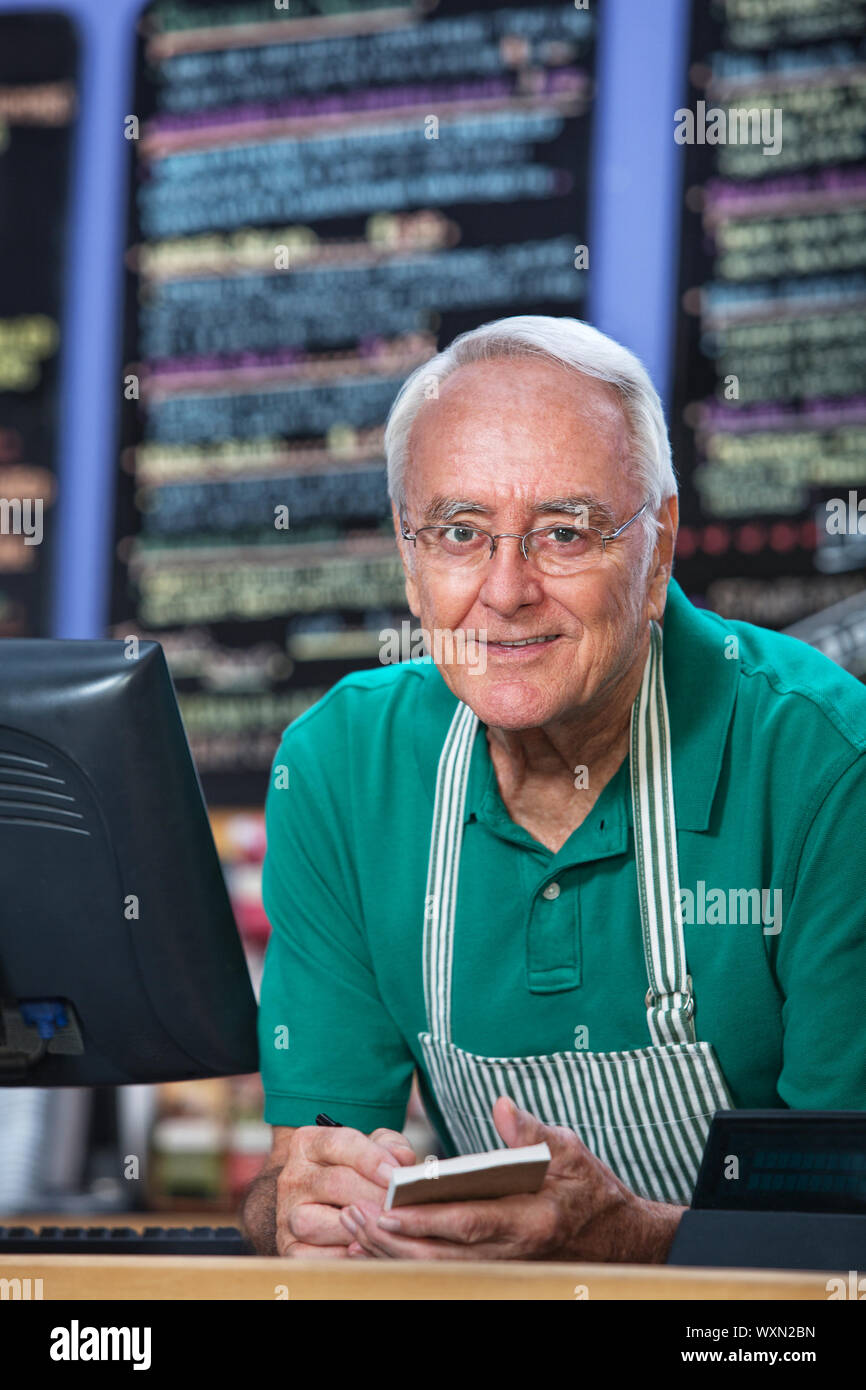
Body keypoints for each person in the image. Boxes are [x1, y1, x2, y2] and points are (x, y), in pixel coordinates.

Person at [241, 315, 866, 1261]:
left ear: (656, 555)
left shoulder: (823, 764)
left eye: (563, 534)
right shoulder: (338, 769)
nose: (505, 590)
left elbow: (848, 1242)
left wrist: (628, 1238)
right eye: (460, 532)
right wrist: (302, 1208)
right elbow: (291, 1183)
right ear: (410, 563)